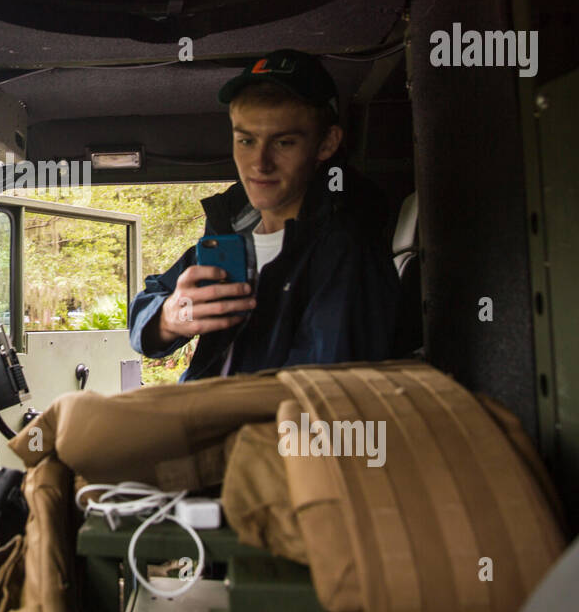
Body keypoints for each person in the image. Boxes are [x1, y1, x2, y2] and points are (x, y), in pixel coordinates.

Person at [129, 49, 400, 380]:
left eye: (283, 143)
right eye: (246, 140)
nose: (260, 163)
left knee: (76, 417)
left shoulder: (346, 247)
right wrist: (169, 318)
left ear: (326, 144)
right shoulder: (230, 230)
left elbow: (322, 389)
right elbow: (146, 305)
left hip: (257, 423)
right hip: (204, 410)